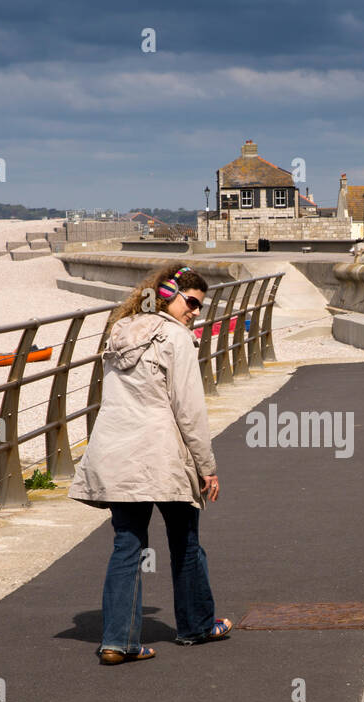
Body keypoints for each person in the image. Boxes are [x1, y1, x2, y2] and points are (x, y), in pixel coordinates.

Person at [68, 265, 232, 665]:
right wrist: (206, 467)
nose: (195, 311)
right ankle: (196, 625)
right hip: (161, 454)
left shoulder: (120, 330)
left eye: (200, 306)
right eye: (191, 302)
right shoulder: (176, 338)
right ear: (167, 294)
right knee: (186, 541)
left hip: (117, 450)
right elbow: (189, 410)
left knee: (127, 544)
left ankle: (116, 641)